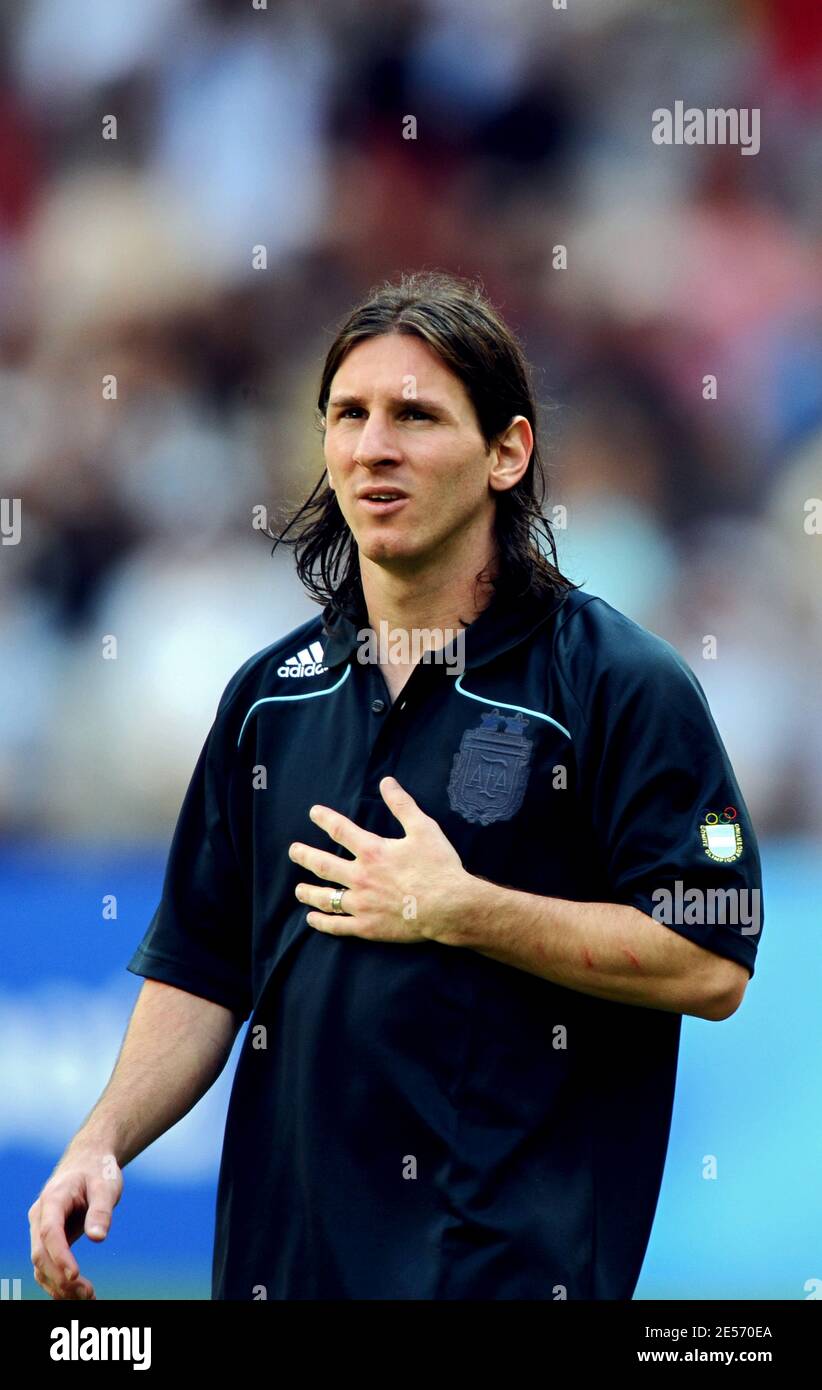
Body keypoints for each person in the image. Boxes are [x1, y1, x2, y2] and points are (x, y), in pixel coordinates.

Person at [29, 271, 763, 1301]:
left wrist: (468, 911)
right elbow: (203, 965)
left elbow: (710, 959)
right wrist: (100, 1139)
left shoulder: (615, 685)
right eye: (350, 414)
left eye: (416, 415)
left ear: (507, 451)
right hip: (283, 1273)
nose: (375, 445)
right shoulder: (269, 699)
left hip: (504, 1276)